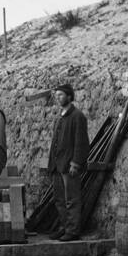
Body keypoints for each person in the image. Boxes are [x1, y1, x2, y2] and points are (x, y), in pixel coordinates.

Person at [46, 81, 89, 241]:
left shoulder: (78, 116)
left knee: (72, 199)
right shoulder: (60, 117)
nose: (58, 98)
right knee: (60, 200)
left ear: (69, 96)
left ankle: (73, 231)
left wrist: (75, 163)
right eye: (56, 95)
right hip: (57, 166)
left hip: (69, 166)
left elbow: (81, 143)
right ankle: (64, 227)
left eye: (61, 95)